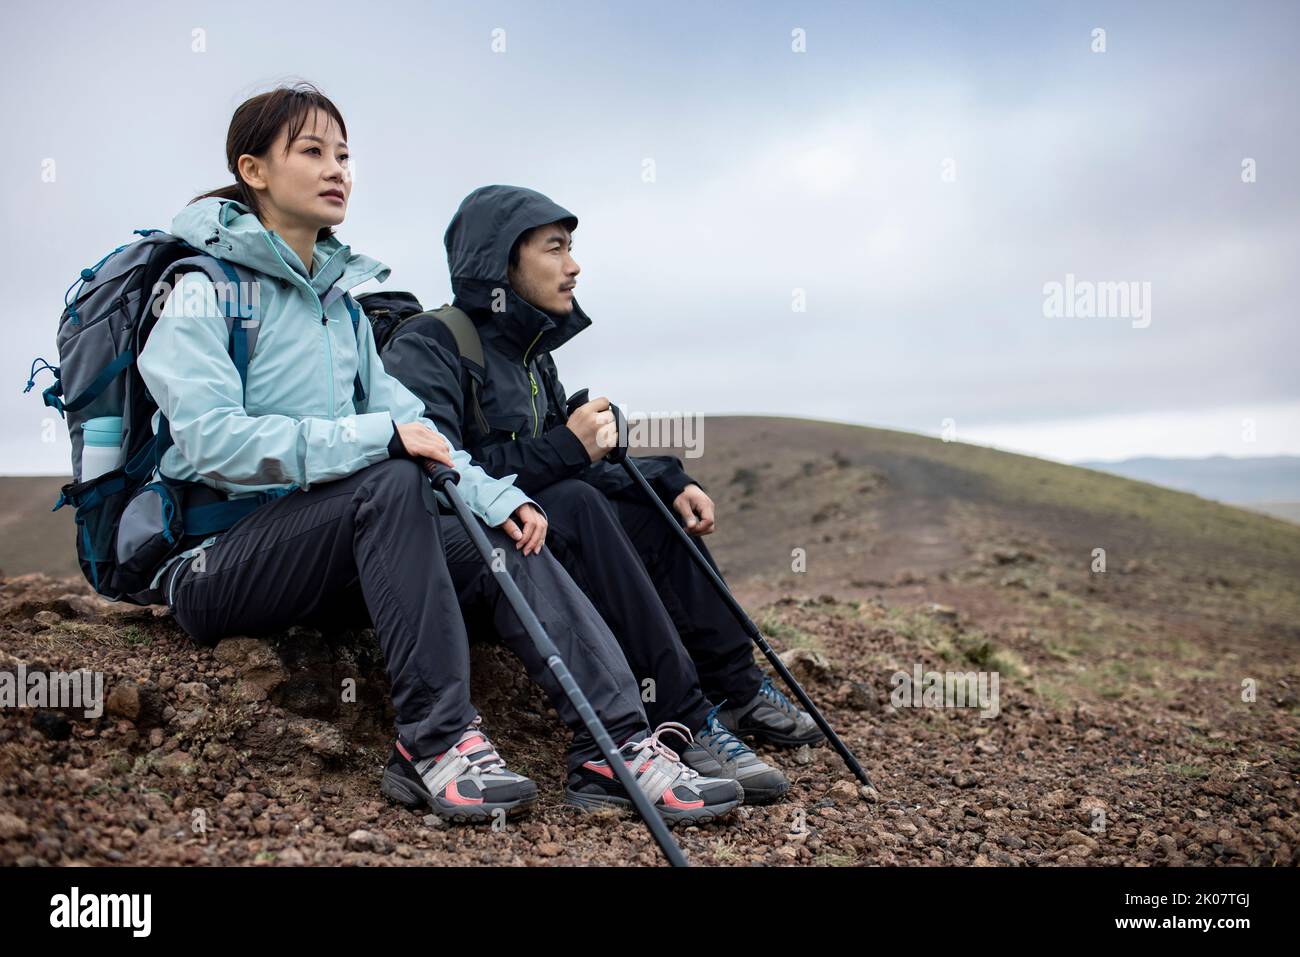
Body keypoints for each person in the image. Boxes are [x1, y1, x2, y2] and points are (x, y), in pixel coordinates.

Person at [136, 85, 740, 826]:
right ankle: (437, 744)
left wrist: (502, 499)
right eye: (313, 152)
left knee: (505, 528)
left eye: (346, 155)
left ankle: (617, 749)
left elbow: (419, 428)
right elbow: (213, 441)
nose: (339, 171)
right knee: (389, 477)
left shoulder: (342, 310)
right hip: (217, 562)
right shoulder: (203, 290)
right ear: (253, 170)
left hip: (328, 551)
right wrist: (376, 439)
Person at [379, 185, 826, 785]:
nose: (574, 266)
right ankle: (678, 717)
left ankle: (735, 690)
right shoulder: (431, 343)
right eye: (555, 248)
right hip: (463, 566)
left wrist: (667, 478)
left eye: (572, 249)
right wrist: (568, 447)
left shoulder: (533, 355)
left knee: (643, 505)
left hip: (533, 546)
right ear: (499, 262)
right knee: (578, 501)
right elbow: (442, 473)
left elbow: (567, 460)